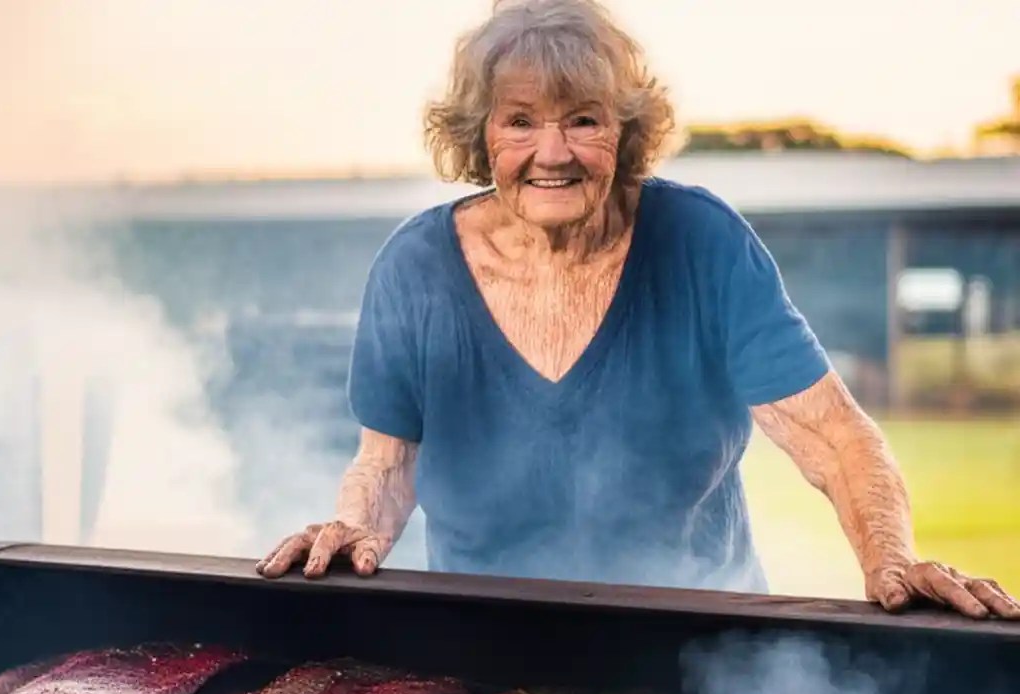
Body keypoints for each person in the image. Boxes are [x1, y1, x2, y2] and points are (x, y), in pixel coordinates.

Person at [256, 0, 1019, 621]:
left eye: (582, 119)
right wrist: (356, 528)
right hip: (482, 648)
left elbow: (833, 433)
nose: (551, 151)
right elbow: (389, 463)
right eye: (519, 120)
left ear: (624, 131)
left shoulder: (702, 241)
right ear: (479, 135)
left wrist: (890, 559)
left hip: (705, 646)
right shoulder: (414, 268)